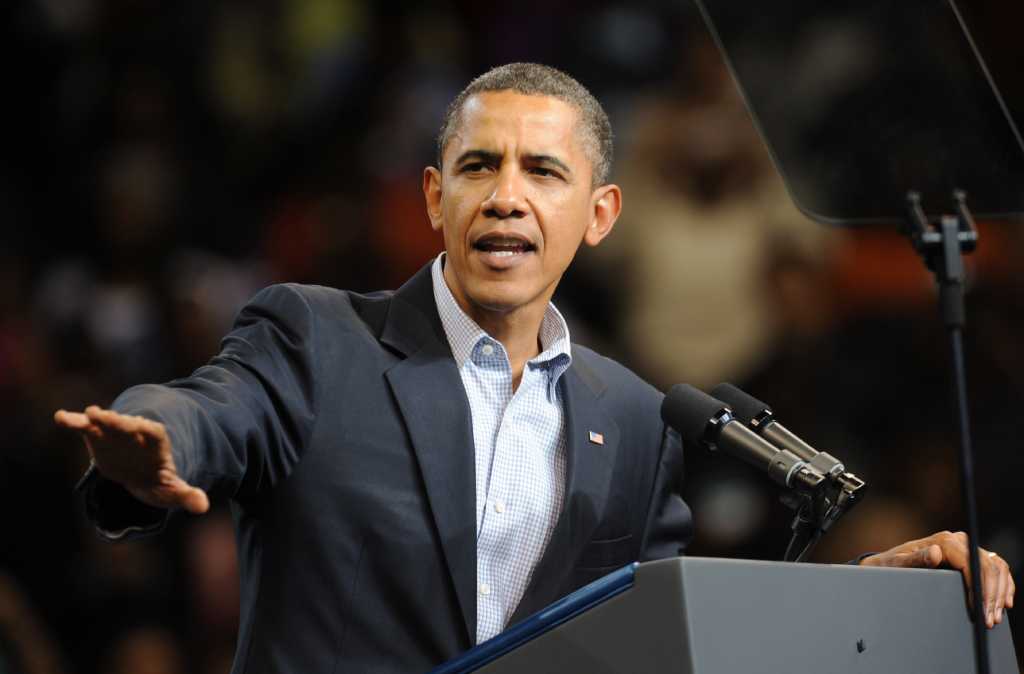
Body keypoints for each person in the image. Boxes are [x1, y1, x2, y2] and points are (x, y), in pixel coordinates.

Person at [55, 63, 1014, 673]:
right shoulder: (317, 337)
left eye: (542, 173)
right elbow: (205, 408)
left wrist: (870, 593)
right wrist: (155, 445)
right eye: (479, 167)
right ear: (436, 197)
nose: (506, 197)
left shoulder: (632, 413)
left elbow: (669, 632)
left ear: (598, 216)